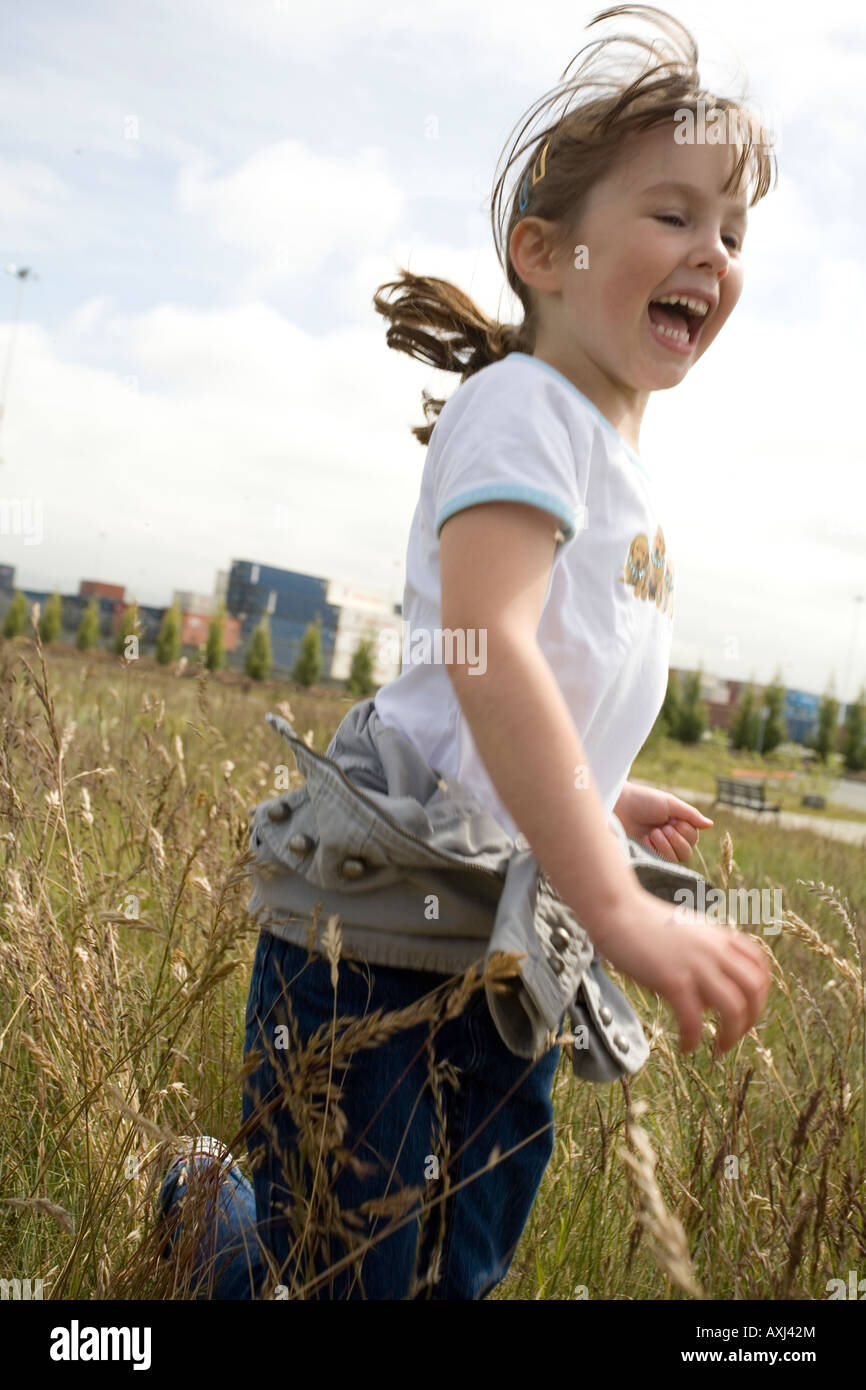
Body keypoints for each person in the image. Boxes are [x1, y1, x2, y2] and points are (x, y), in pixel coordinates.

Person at [157, 3, 774, 1300]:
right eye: (672, 213)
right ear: (542, 251)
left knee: (466, 1262)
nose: (709, 252)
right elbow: (485, 646)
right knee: (347, 1261)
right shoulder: (522, 411)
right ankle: (206, 1213)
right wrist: (608, 893)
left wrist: (595, 795)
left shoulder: (616, 465)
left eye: (730, 228)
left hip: (501, 925)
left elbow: (508, 693)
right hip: (378, 921)